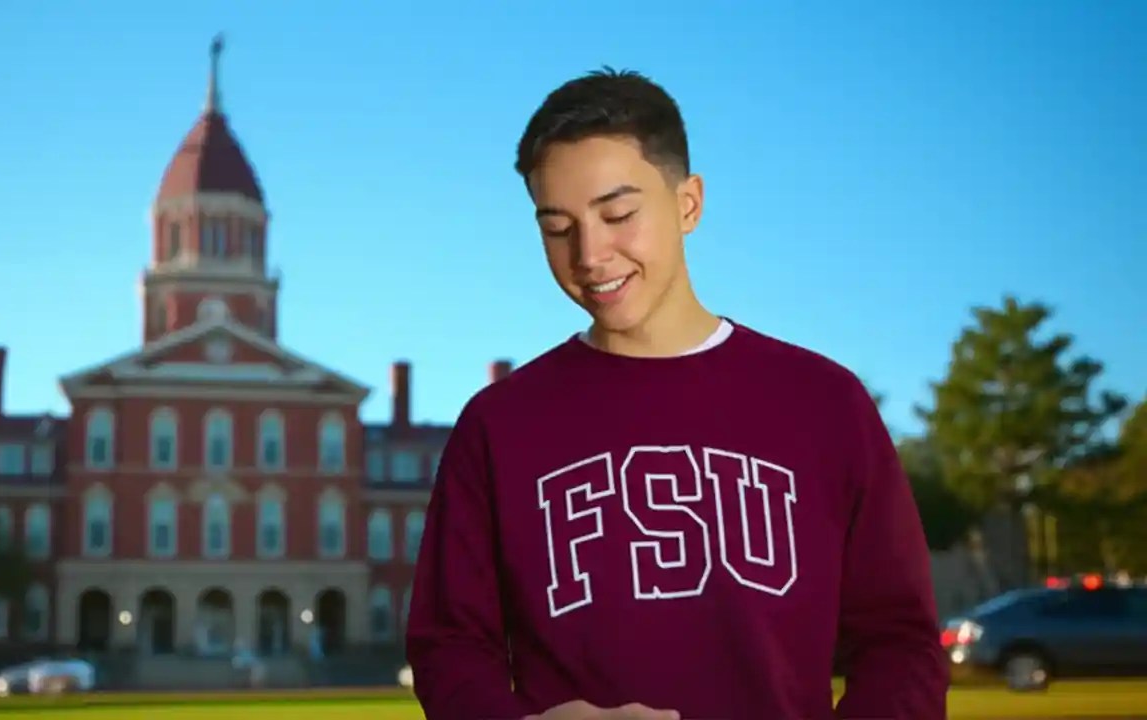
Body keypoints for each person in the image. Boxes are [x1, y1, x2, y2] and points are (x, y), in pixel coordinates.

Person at [406, 67, 949, 720]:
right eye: (557, 227)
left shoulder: (826, 404)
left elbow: (900, 644)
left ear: (688, 203)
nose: (590, 253)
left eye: (619, 214)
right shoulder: (498, 425)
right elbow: (449, 645)